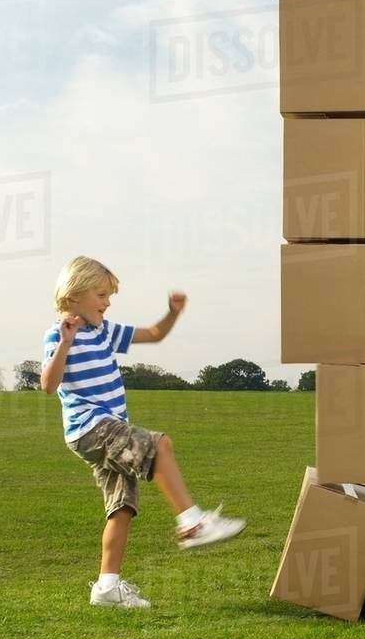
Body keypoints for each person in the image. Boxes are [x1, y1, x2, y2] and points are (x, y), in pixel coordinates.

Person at [40, 255, 246, 609]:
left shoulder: (105, 331)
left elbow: (154, 334)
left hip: (109, 430)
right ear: (74, 295)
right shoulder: (59, 335)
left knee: (122, 507)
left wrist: (173, 313)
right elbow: (48, 385)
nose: (107, 302)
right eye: (101, 294)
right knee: (159, 444)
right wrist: (64, 343)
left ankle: (106, 587)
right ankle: (192, 524)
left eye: (109, 296)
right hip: (92, 427)